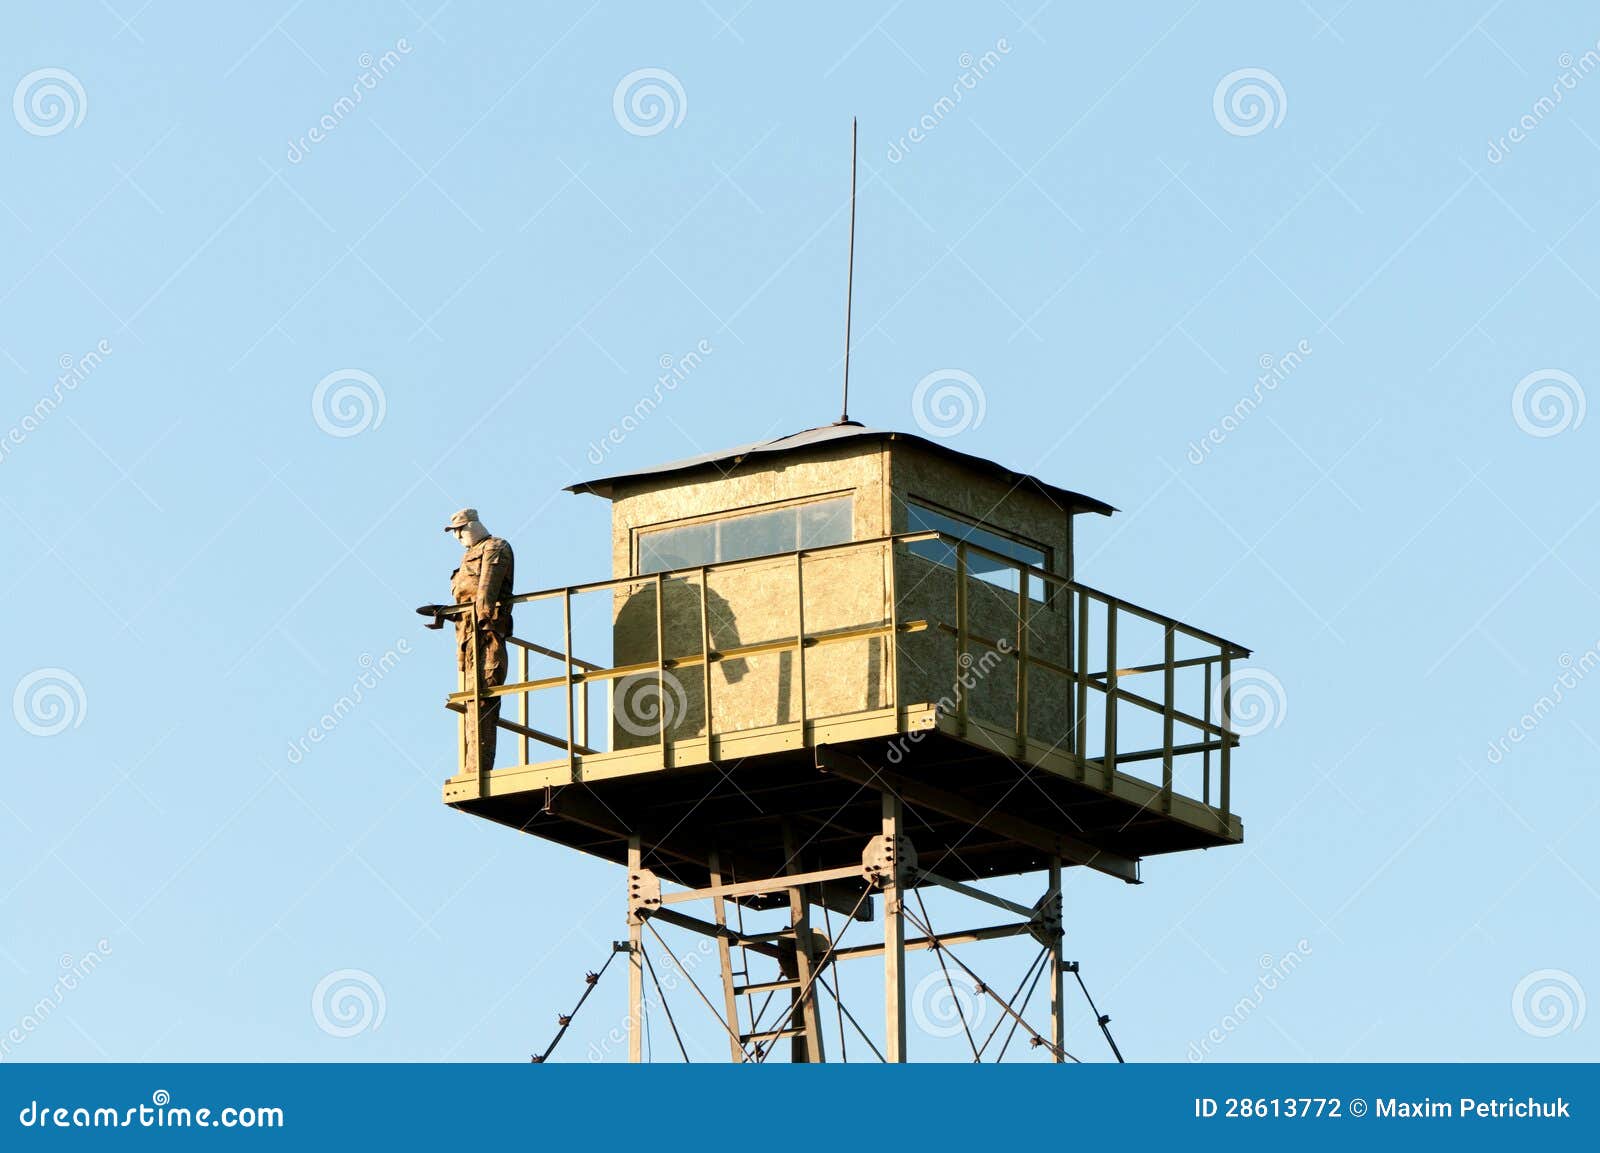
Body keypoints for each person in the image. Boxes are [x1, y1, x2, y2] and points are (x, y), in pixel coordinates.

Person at [445, 508, 515, 771]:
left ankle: (479, 770)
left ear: (473, 526)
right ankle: (471, 767)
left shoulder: (495, 547)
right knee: (470, 701)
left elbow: (485, 595)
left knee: (483, 697)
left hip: (487, 636)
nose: (458, 536)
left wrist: (478, 618)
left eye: (460, 530)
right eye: (454, 532)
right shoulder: (465, 558)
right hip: (466, 642)